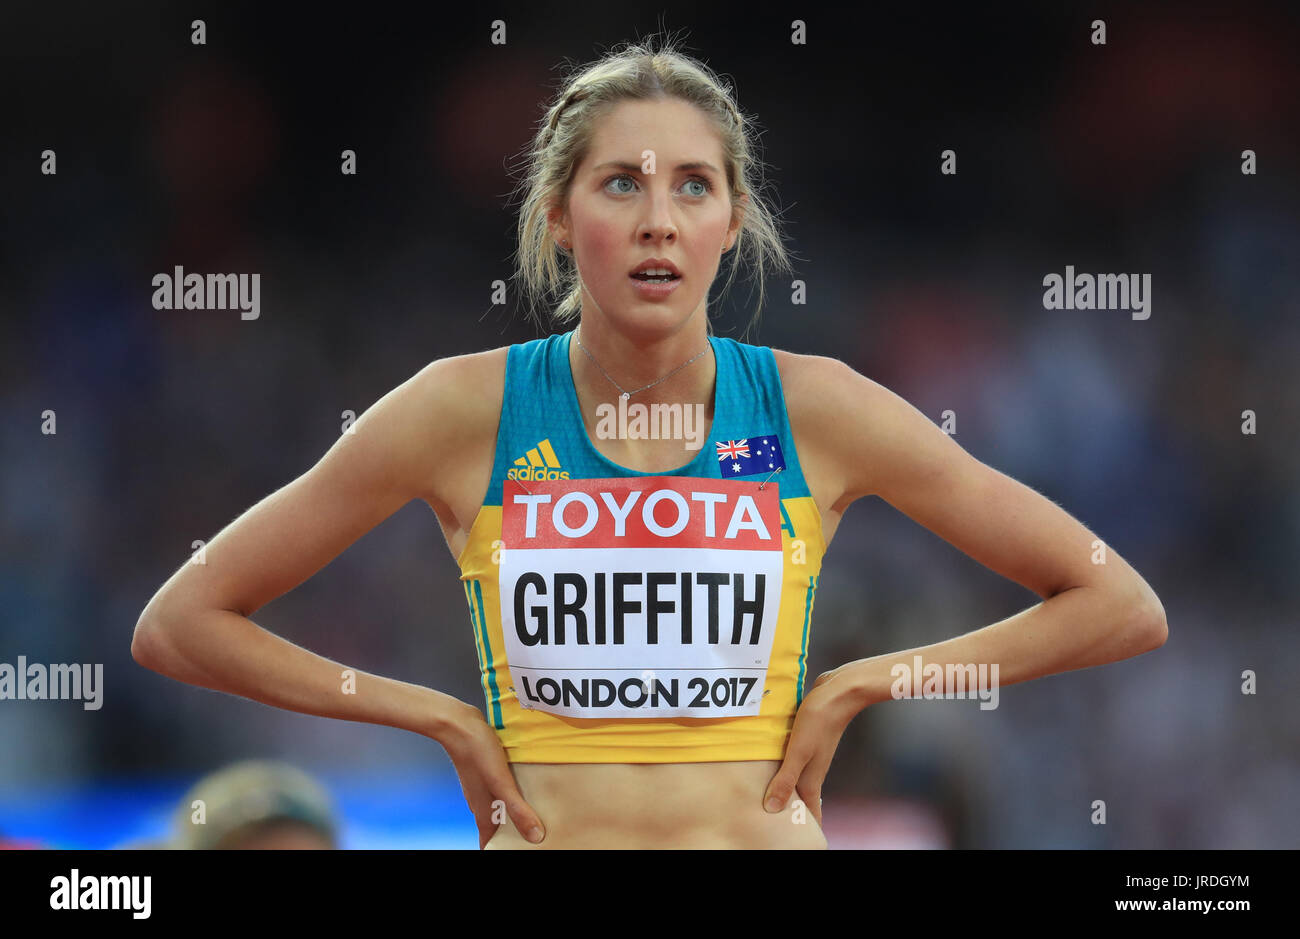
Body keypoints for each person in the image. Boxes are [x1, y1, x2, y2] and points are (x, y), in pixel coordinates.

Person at [132, 36, 1168, 850]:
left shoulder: (817, 411)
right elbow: (181, 623)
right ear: (555, 217)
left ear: (733, 220)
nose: (657, 220)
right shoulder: (462, 412)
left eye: (692, 186)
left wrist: (870, 682)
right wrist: (429, 715)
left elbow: (1115, 604)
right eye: (620, 184)